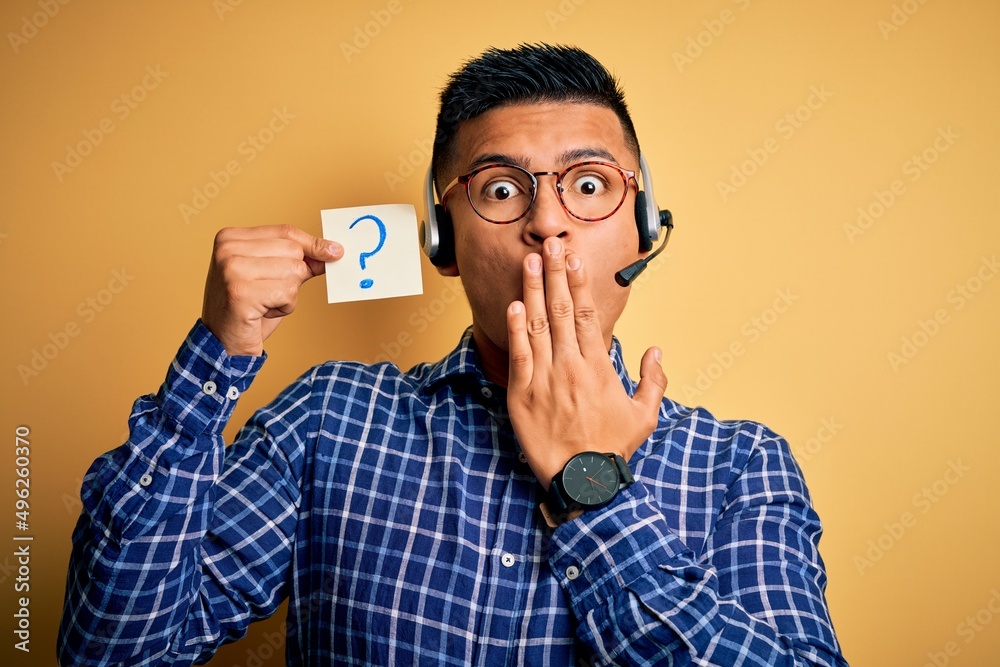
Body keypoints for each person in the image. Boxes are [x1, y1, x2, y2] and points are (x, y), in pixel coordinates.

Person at [59, 44, 847, 666]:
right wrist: (214, 361)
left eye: (589, 184)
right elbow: (115, 651)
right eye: (502, 190)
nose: (548, 224)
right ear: (440, 242)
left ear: (642, 225)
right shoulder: (332, 420)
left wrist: (590, 489)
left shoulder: (741, 465)